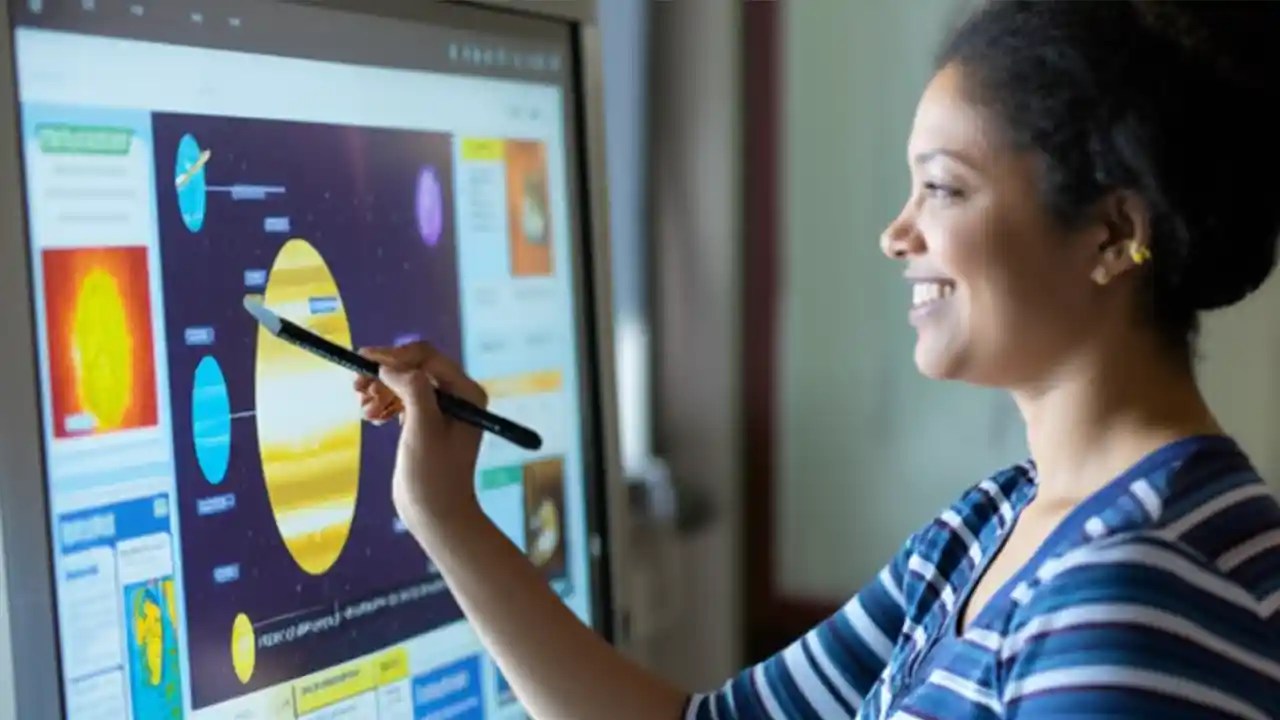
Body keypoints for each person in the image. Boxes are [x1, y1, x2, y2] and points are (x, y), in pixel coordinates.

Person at [354, 1, 1280, 717]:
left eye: (943, 189)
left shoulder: (1138, 598)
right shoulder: (991, 525)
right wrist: (444, 514)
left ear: (1115, 234)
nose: (897, 233)